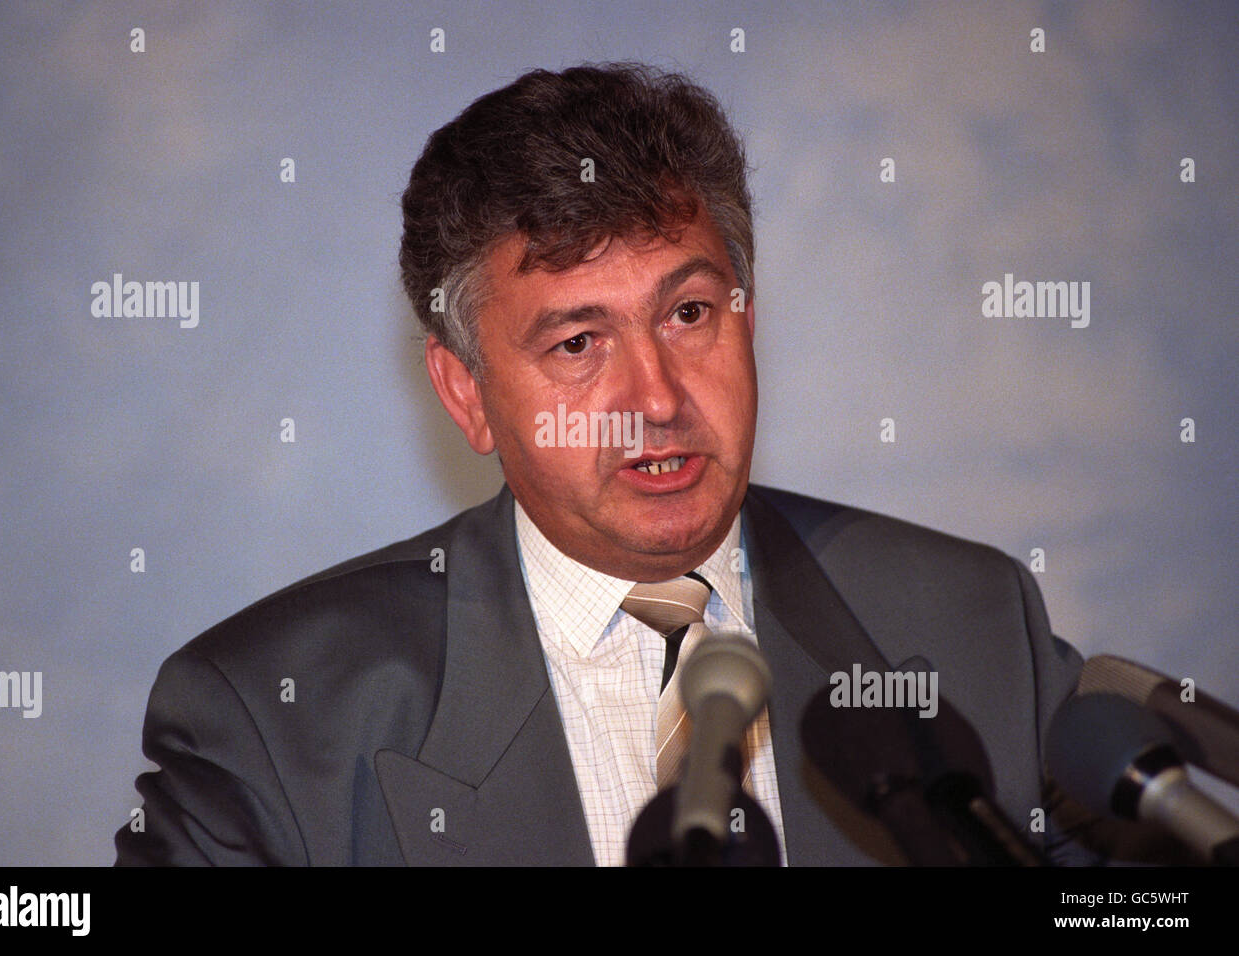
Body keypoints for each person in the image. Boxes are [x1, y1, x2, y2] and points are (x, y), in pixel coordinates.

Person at [116, 62, 1088, 866]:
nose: (657, 397)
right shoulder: (273, 724)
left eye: (689, 313)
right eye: (578, 342)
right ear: (465, 392)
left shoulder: (971, 627)